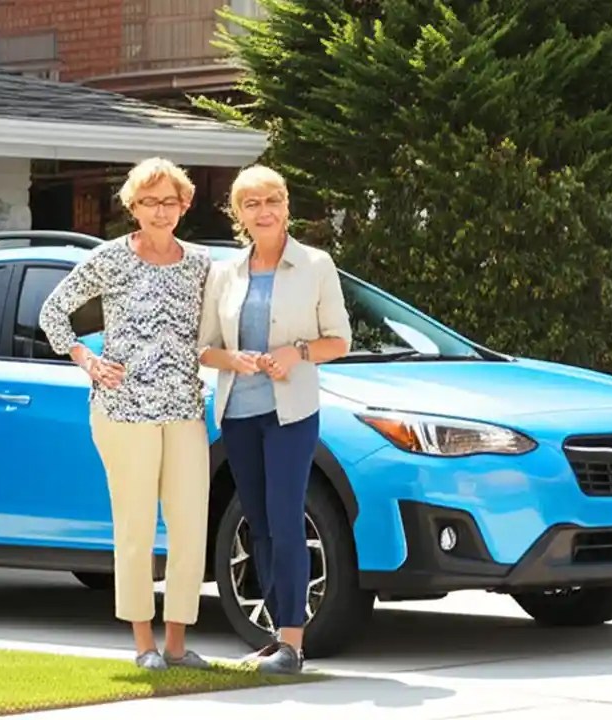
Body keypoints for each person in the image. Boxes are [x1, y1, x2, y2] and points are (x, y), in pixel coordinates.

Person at [39, 157, 212, 672]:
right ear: (132, 207)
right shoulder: (111, 258)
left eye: (169, 201)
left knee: (189, 525)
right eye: (148, 202)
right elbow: (53, 310)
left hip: (184, 407)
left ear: (185, 205)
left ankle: (178, 642)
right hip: (123, 411)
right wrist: (86, 359)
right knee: (135, 526)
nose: (159, 211)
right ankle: (143, 645)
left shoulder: (201, 264)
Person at [197, 164, 352, 674]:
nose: (263, 211)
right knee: (257, 522)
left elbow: (340, 339)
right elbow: (204, 349)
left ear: (286, 205)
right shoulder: (224, 272)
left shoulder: (315, 265)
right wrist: (234, 360)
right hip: (237, 412)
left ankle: (293, 642)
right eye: (251, 204)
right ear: (238, 214)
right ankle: (273, 633)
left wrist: (298, 352)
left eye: (272, 201)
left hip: (290, 413)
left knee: (286, 518)